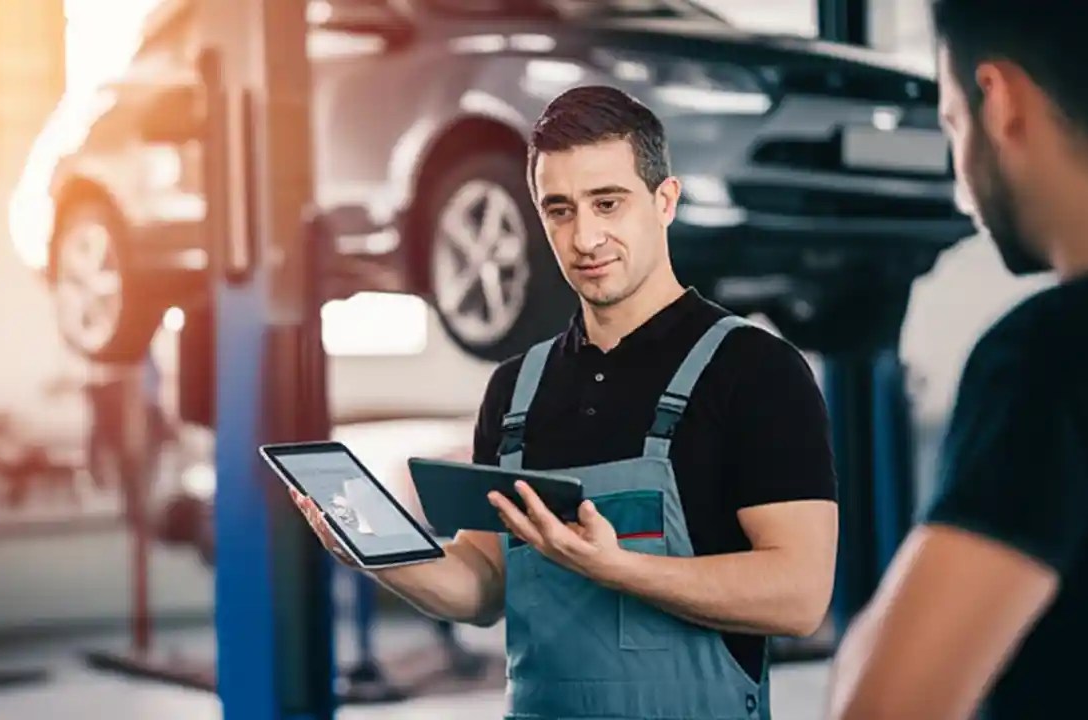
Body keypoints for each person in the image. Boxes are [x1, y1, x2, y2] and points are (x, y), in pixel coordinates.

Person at [291, 85, 839, 719]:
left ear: (665, 201)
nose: (585, 237)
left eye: (608, 203)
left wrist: (618, 568)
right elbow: (484, 584)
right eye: (560, 209)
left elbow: (799, 595)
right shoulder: (516, 390)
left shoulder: (755, 370)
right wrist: (378, 550)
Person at [827, 2, 1088, 719]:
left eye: (951, 120)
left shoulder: (1050, 356)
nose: (958, 170)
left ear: (1001, 101)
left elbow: (884, 708)